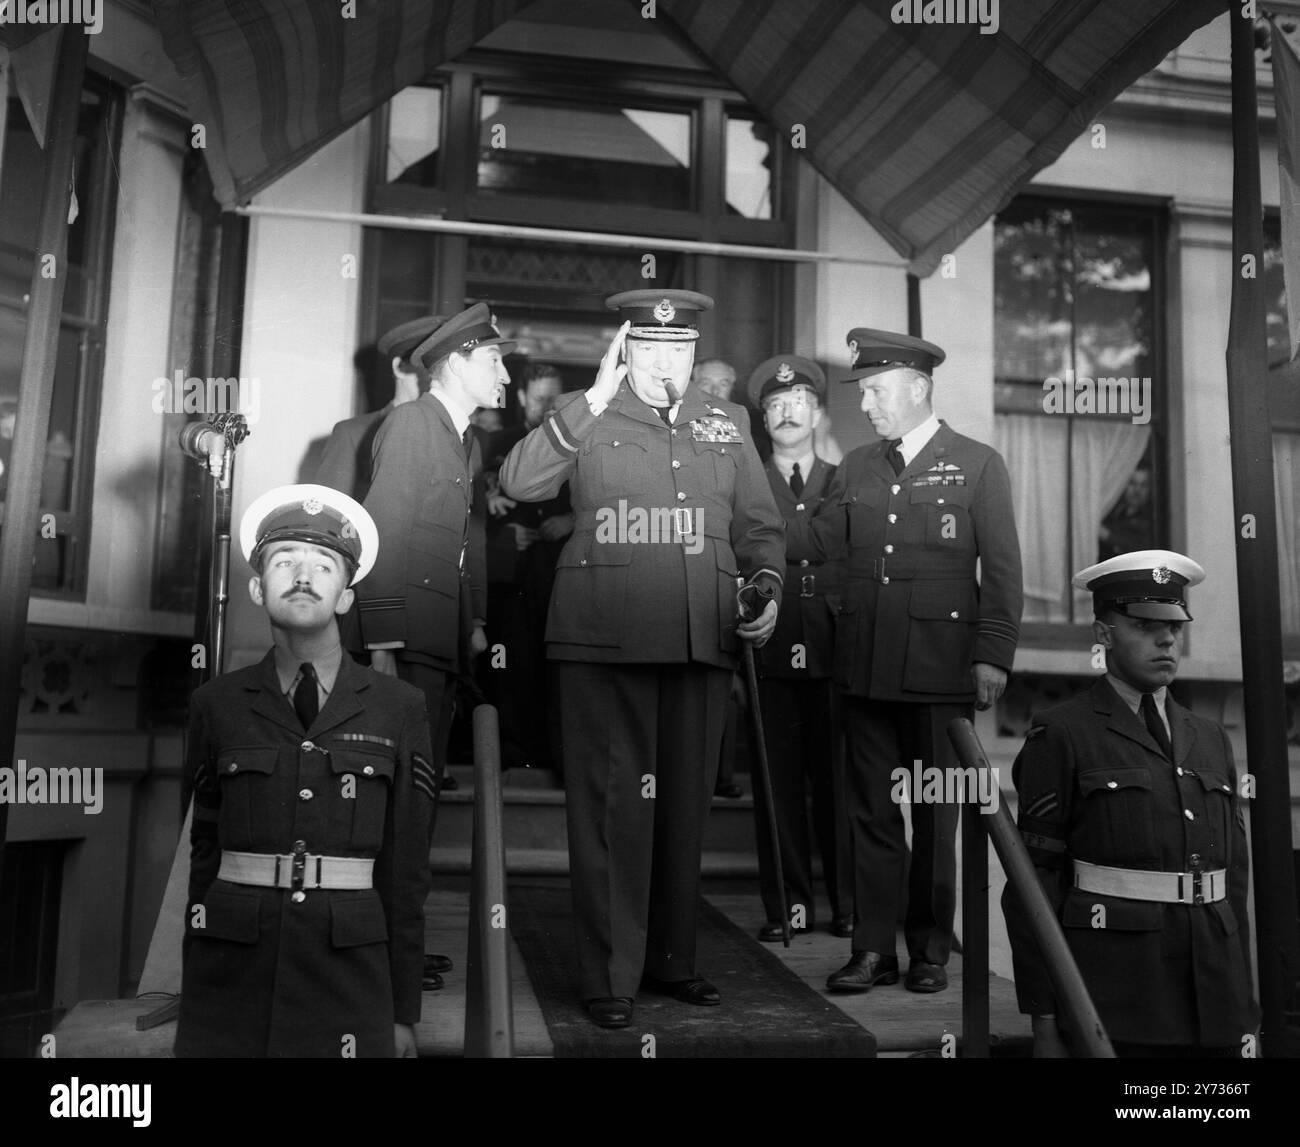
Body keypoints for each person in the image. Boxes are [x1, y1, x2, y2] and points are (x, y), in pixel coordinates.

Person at [499, 289, 784, 1029]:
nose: (665, 364)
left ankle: (670, 959)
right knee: (609, 809)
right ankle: (608, 973)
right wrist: (589, 397)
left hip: (701, 636)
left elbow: (759, 526)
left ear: (693, 354)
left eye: (678, 351)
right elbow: (518, 482)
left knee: (682, 807)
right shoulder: (589, 412)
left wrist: (766, 588)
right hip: (605, 638)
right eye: (649, 350)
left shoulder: (726, 422)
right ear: (626, 351)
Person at [785, 328, 1023, 995]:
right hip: (863, 669)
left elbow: (1002, 569)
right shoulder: (857, 465)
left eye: (878, 390)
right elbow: (815, 537)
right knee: (872, 817)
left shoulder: (976, 464)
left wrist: (993, 655)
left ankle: (928, 951)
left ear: (918, 389)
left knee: (934, 812)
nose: (867, 404)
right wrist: (745, 517)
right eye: (864, 392)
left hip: (939, 672)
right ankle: (871, 950)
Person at [175, 484, 434, 1057]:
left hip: (349, 973)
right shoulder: (216, 704)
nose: (302, 575)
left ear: (345, 597)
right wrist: (195, 981)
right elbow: (203, 853)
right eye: (284, 561)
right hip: (231, 973)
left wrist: (401, 1010)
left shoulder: (399, 707)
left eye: (324, 565)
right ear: (255, 586)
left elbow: (405, 872)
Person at [1002, 550, 1258, 1057]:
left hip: (1215, 998)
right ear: (1103, 635)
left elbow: (1234, 880)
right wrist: (1046, 1020)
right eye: (1144, 625)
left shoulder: (1209, 738)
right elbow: (1034, 885)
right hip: (1117, 999)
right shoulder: (1064, 733)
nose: (1166, 639)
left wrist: (1245, 1005)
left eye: (1174, 628)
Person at [316, 316, 455, 988]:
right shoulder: (354, 435)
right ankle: (362, 943)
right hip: (368, 644)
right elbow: (330, 543)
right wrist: (372, 642)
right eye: (412, 366)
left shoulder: (456, 435)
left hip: (433, 638)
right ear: (400, 368)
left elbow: (460, 543)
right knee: (367, 801)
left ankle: (400, 938)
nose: (420, 377)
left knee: (415, 800)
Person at [357, 303, 507, 796]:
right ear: (459, 364)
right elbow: (382, 534)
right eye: (493, 360)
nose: (504, 374)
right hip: (407, 641)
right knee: (401, 789)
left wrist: (476, 620)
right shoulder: (412, 425)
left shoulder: (464, 439)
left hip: (444, 636)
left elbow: (467, 540)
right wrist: (382, 647)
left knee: (421, 790)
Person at [747, 354, 854, 942]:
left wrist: (770, 538)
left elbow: (846, 548)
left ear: (817, 414)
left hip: (835, 649)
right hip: (770, 643)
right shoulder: (746, 481)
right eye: (775, 407)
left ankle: (848, 906)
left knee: (839, 784)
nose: (787, 414)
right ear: (764, 421)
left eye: (798, 405)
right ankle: (788, 907)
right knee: (777, 785)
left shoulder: (845, 480)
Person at [480, 363, 570, 772]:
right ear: (520, 398)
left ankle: (553, 753)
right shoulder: (497, 442)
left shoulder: (580, 441)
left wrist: (572, 521)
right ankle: (512, 754)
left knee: (557, 665)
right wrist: (502, 534)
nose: (547, 408)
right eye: (539, 401)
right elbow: (471, 507)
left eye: (555, 400)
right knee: (508, 662)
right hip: (509, 575)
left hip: (561, 573)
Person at [315, 318, 432, 502]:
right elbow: (330, 516)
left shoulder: (462, 437)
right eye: (427, 366)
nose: (437, 377)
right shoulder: (354, 434)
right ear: (399, 368)